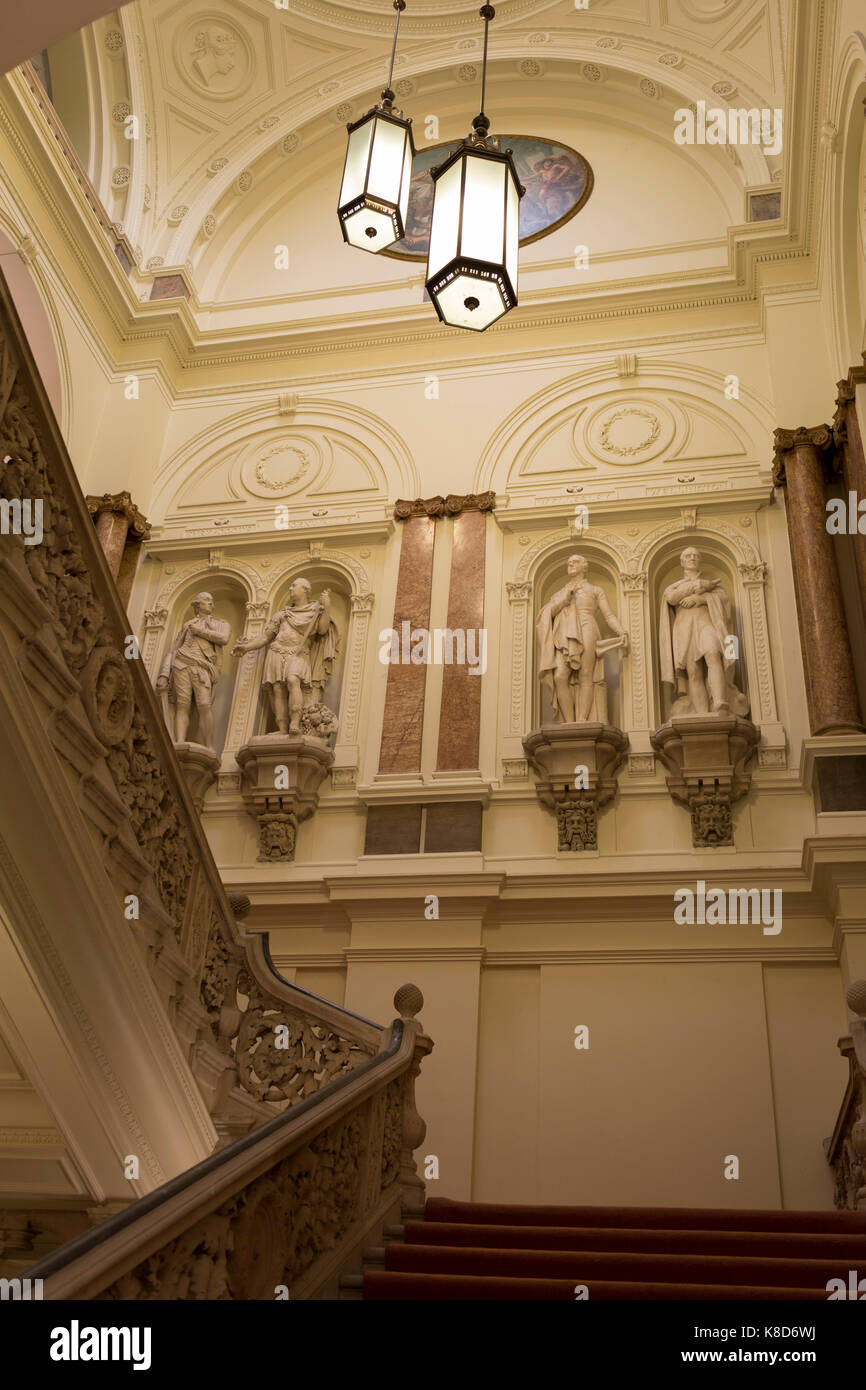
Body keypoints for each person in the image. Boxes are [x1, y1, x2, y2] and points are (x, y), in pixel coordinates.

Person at [232, 578, 338, 735]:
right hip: (276, 652)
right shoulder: (282, 614)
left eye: (294, 585)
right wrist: (246, 647)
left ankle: (295, 722)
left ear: (306, 590)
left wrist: (327, 606)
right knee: (277, 689)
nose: (290, 588)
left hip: (298, 652)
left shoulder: (315, 611)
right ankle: (282, 730)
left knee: (293, 680)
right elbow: (266, 637)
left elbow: (322, 630)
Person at [536, 554, 628, 723]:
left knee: (586, 674)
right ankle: (569, 722)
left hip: (587, 628)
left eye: (576, 561)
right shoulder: (560, 593)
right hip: (565, 634)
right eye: (569, 562)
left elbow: (608, 615)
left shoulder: (595, 590)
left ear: (584, 567)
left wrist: (621, 631)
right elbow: (547, 614)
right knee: (559, 677)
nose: (571, 563)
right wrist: (566, 598)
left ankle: (582, 719)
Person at [659, 547, 748, 717]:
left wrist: (702, 598)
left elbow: (725, 607)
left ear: (700, 560)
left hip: (708, 625)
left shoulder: (716, 588)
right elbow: (672, 598)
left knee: (714, 653)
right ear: (682, 562)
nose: (692, 558)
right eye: (688, 555)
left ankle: (720, 701)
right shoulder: (674, 587)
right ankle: (702, 713)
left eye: (696, 555)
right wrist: (698, 585)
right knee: (694, 671)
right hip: (685, 630)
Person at [157, 592, 230, 747]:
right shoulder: (187, 625)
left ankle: (209, 747)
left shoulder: (220, 624)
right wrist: (164, 673)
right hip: (181, 663)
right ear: (197, 605)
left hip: (202, 668)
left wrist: (200, 631)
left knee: (204, 705)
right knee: (182, 705)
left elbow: (224, 638)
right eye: (206, 600)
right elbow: (173, 650)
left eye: (212, 601)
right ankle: (179, 743)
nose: (211, 603)